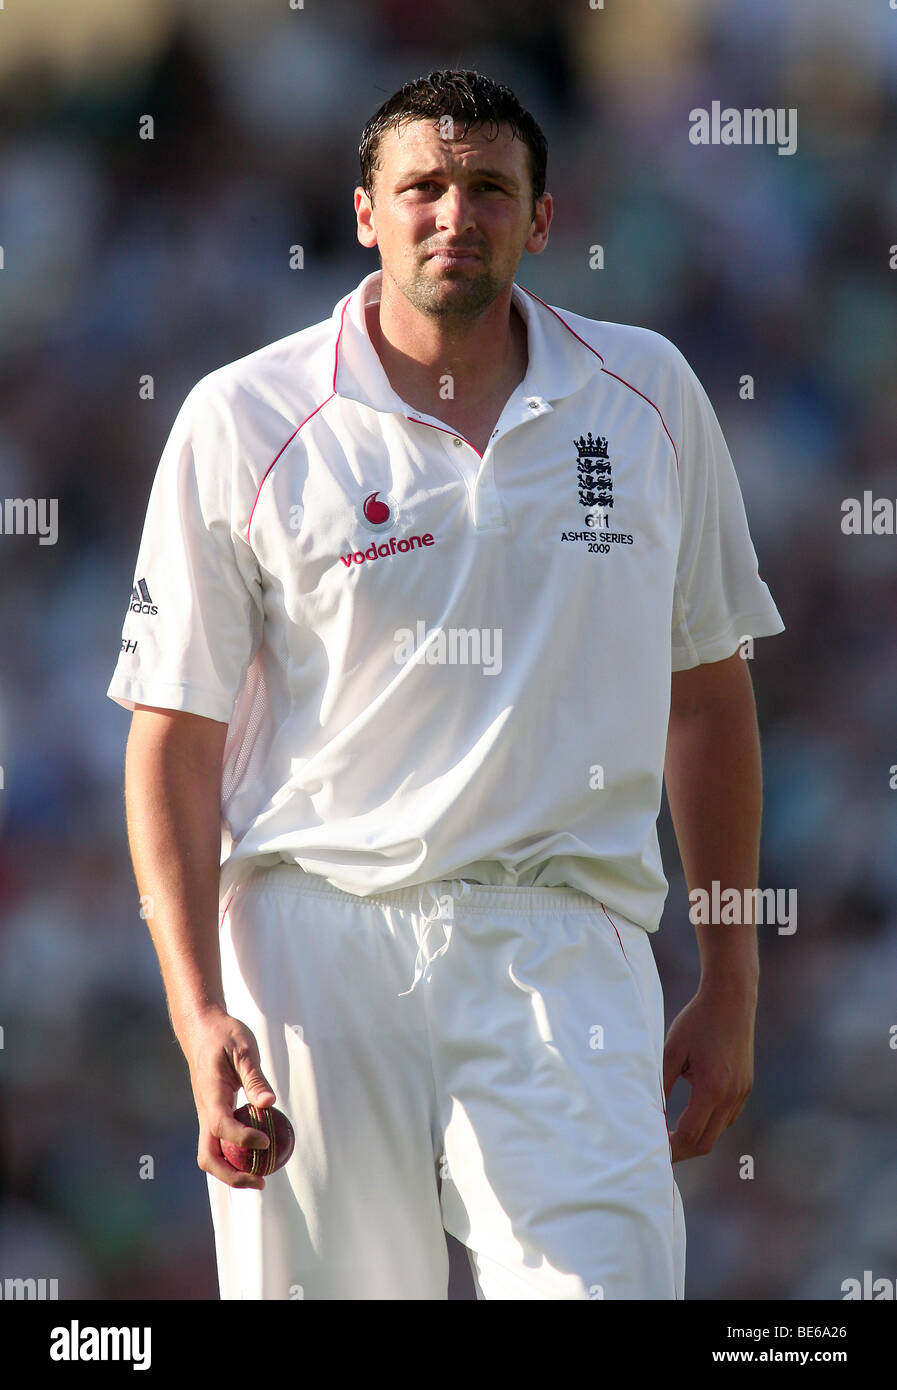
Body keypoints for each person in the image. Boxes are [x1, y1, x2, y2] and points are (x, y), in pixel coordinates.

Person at [108, 68, 784, 1300]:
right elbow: (173, 739)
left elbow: (709, 692)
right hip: (314, 937)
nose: (453, 214)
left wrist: (730, 975)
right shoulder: (244, 417)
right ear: (365, 210)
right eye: (421, 186)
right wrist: (198, 1011)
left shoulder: (649, 399)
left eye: (488, 188)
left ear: (543, 219)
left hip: (567, 940)